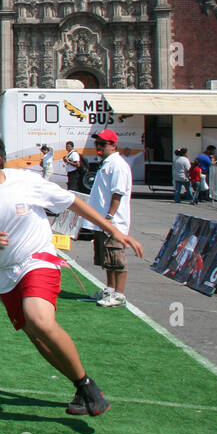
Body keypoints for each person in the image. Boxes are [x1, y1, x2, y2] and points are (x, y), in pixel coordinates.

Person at [0, 132, 144, 417]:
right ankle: (83, 385)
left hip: (37, 260)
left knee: (38, 318)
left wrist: (113, 229)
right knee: (36, 336)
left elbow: (72, 202)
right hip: (4, 272)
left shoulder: (26, 181)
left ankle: (88, 387)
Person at [79, 129, 133, 308]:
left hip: (113, 222)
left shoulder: (117, 164)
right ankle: (110, 289)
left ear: (113, 145)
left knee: (116, 258)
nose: (99, 147)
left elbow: (118, 193)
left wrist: (109, 216)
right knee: (106, 259)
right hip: (102, 221)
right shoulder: (106, 163)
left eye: (103, 144)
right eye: (97, 143)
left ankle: (119, 294)